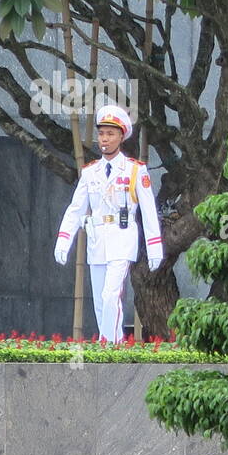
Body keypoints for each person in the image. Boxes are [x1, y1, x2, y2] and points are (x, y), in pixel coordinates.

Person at [53, 105, 164, 342]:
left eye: (110, 134)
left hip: (122, 238)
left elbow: (148, 211)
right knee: (100, 300)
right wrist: (64, 240)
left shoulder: (135, 170)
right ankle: (112, 342)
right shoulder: (90, 172)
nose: (105, 139)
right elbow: (76, 208)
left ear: (121, 137)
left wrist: (155, 247)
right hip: (97, 239)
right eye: (102, 133)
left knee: (111, 294)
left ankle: (110, 345)